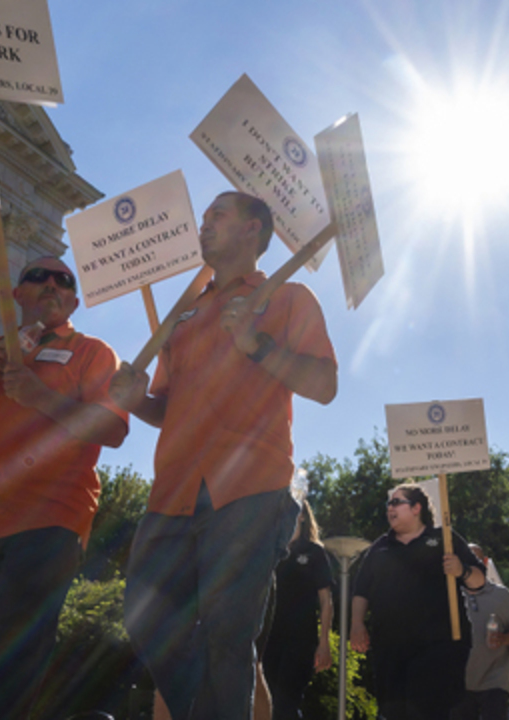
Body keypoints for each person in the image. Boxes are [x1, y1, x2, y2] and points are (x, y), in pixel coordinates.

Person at [110, 191, 337, 720]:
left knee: (227, 635)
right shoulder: (183, 314)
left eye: (218, 215)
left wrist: (255, 343)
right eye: (205, 216)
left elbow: (324, 385)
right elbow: (165, 408)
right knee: (144, 616)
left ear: (254, 229)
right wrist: (133, 400)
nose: (203, 224)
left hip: (252, 490)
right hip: (173, 490)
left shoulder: (289, 298)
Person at [0, 256, 128, 719]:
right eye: (39, 276)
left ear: (74, 299)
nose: (52, 283)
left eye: (64, 280)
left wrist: (41, 396)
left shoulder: (92, 352)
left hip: (49, 517)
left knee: (13, 656)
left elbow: (113, 429)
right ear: (17, 293)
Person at [350, 483, 487, 720]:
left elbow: (479, 581)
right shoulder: (379, 548)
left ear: (416, 508)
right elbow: (361, 590)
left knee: (426, 710)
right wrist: (357, 624)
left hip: (438, 646)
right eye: (388, 504)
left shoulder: (444, 539)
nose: (389, 508)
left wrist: (461, 570)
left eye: (396, 502)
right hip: (389, 647)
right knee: (393, 712)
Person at [258, 498, 334, 720]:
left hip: (301, 639)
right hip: (268, 639)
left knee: (286, 704)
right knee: (265, 702)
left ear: (301, 514)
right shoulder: (270, 551)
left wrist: (324, 642)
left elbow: (326, 602)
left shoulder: (314, 552)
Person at [453, 544, 509, 720]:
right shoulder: (450, 595)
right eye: (466, 561)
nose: (471, 566)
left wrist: (504, 638)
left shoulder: (501, 595)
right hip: (459, 682)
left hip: (494, 681)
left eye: (476, 561)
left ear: (484, 563)